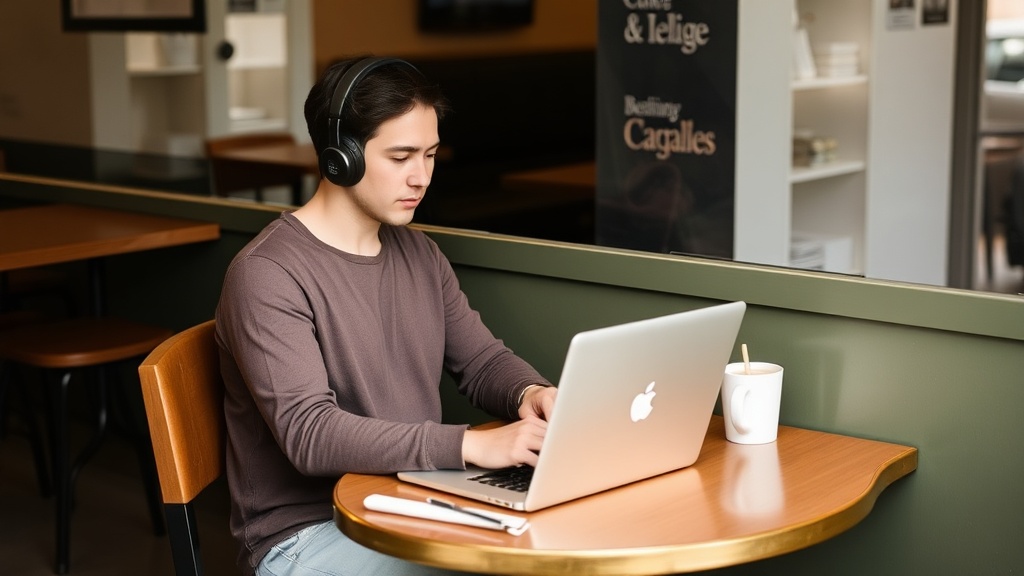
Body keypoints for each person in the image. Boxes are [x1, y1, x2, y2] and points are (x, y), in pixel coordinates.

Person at [214, 56, 558, 576]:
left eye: (431, 155)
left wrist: (531, 396)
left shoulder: (420, 255)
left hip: (411, 501)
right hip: (306, 534)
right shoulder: (267, 274)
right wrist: (469, 445)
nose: (421, 177)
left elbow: (483, 362)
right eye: (400, 157)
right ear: (340, 158)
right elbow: (309, 433)